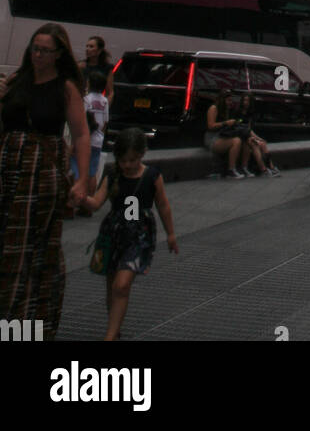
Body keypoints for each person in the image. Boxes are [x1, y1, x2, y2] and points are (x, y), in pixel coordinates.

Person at [0, 22, 90, 339]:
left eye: (45, 50)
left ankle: (23, 325)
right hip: (7, 167)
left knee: (31, 248)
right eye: (34, 49)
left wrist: (81, 181)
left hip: (41, 172)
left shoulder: (65, 87)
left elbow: (80, 134)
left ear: (58, 54)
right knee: (8, 245)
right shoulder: (17, 80)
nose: (37, 55)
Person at [83, 127, 177, 340]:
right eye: (123, 160)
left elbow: (163, 205)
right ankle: (114, 331)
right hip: (113, 234)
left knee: (121, 284)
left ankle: (109, 335)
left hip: (138, 236)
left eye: (132, 160)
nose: (127, 165)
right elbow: (96, 203)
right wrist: (82, 199)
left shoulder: (152, 176)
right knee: (112, 286)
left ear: (141, 155)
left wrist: (170, 234)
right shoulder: (113, 175)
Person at [70, 68, 110, 206]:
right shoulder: (105, 102)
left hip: (85, 140)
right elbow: (105, 122)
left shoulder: (86, 100)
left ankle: (74, 201)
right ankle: (88, 203)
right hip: (98, 141)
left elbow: (81, 120)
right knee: (92, 173)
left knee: (77, 170)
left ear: (89, 83)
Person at [205, 90, 250, 178]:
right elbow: (210, 126)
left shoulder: (227, 110)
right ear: (222, 100)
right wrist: (225, 123)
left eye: (231, 100)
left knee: (245, 140)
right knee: (236, 141)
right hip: (213, 138)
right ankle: (231, 169)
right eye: (228, 100)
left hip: (223, 136)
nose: (230, 103)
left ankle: (244, 167)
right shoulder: (213, 108)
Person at [79, 35, 115, 104]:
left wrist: (105, 106)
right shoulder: (81, 65)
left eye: (91, 47)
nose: (87, 49)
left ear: (99, 50)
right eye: (87, 46)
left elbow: (110, 92)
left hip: (98, 104)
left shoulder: (106, 68)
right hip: (82, 103)